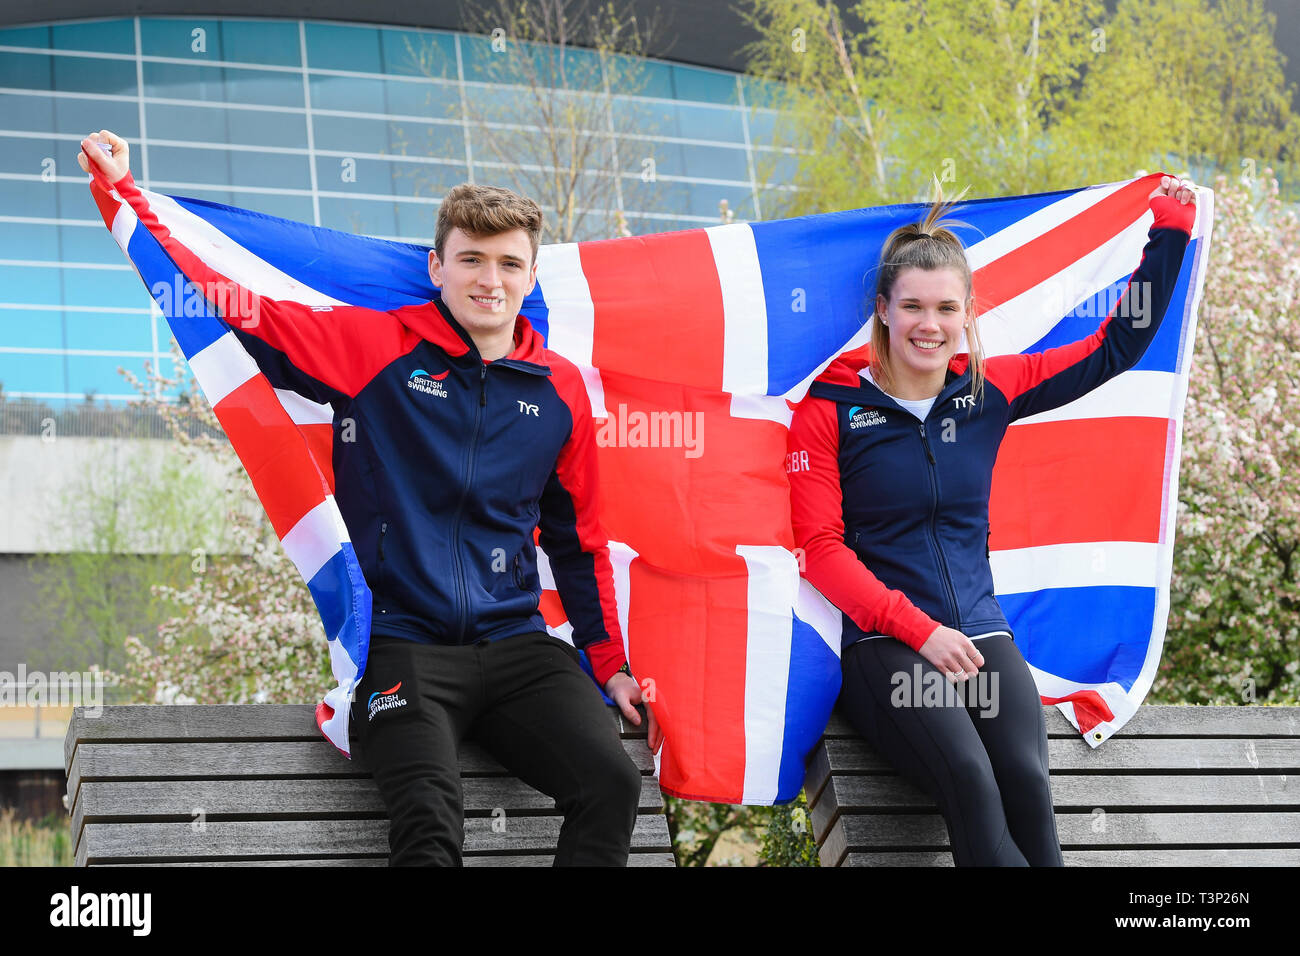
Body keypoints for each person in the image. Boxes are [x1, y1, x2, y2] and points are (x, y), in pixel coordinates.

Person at [78, 129, 660, 866]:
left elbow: (579, 539)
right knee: (428, 826)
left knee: (611, 783)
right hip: (401, 647)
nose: (490, 279)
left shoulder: (563, 390)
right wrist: (127, 196)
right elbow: (243, 307)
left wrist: (609, 661)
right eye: (471, 260)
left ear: (530, 276)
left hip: (518, 648)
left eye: (509, 263)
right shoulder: (373, 347)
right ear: (437, 267)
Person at [787, 176, 1197, 865]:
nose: (929, 323)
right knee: (973, 787)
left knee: (1029, 789)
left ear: (968, 313)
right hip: (883, 649)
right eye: (912, 305)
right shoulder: (828, 407)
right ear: (882, 309)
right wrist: (922, 633)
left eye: (946, 307)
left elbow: (1113, 351)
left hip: (980, 633)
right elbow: (820, 551)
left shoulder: (987, 391)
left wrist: (1170, 235)